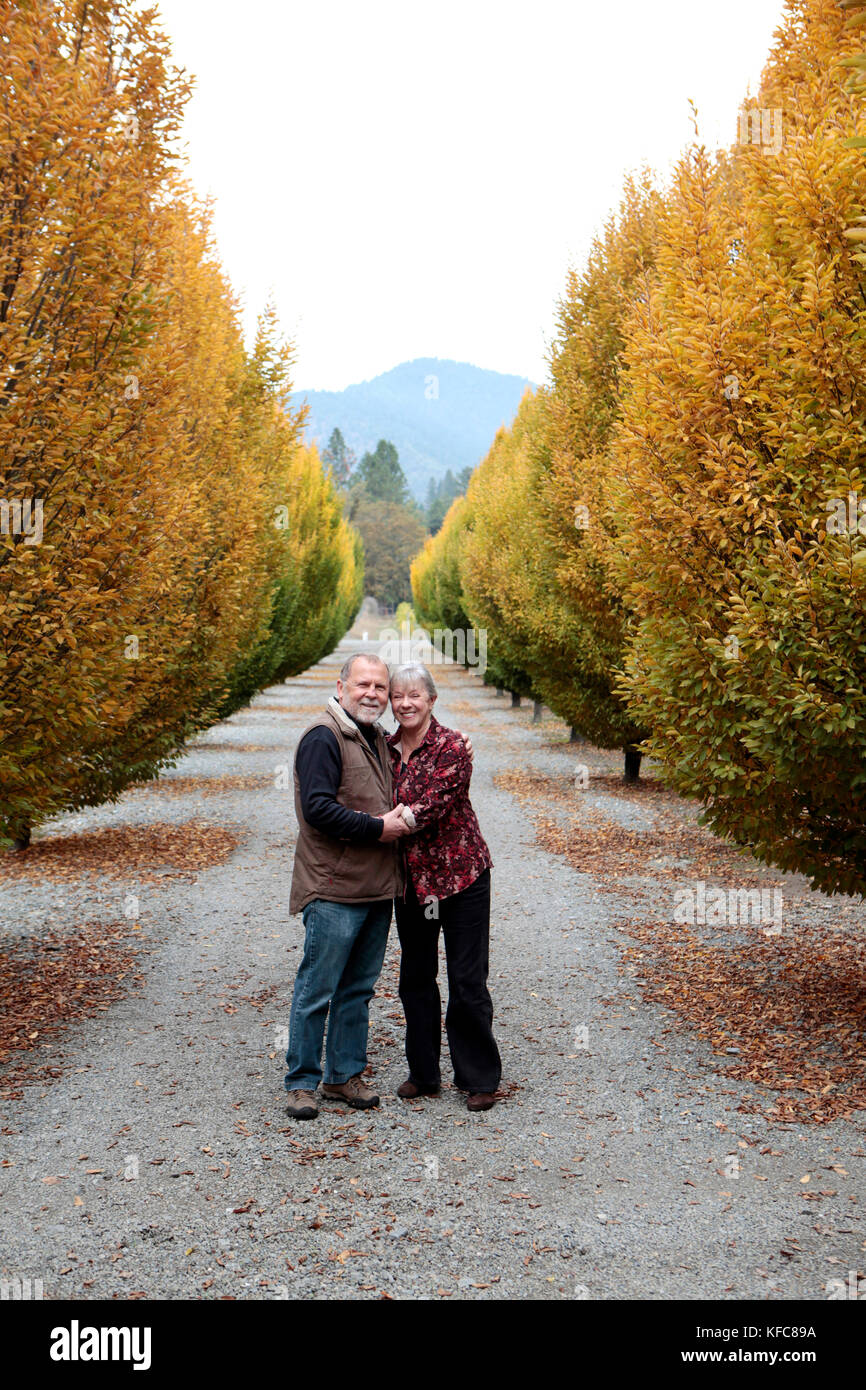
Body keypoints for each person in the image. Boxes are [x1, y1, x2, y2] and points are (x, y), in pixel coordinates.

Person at [284, 652, 410, 1120]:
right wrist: (379, 828)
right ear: (341, 687)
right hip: (334, 888)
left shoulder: (374, 735)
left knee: (358, 989)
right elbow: (317, 809)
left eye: (381, 687)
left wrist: (462, 745)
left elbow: (424, 746)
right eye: (363, 685)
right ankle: (301, 1082)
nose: (372, 694)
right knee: (317, 987)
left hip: (377, 889)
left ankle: (343, 1076)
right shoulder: (324, 736)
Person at [387, 661, 502, 1112]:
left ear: (432, 700)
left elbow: (431, 804)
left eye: (415, 694)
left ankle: (478, 1078)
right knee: (415, 977)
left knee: (467, 979)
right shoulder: (384, 747)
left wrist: (380, 826)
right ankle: (423, 1073)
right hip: (413, 883)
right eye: (398, 695)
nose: (405, 702)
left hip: (462, 878)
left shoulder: (453, 746)